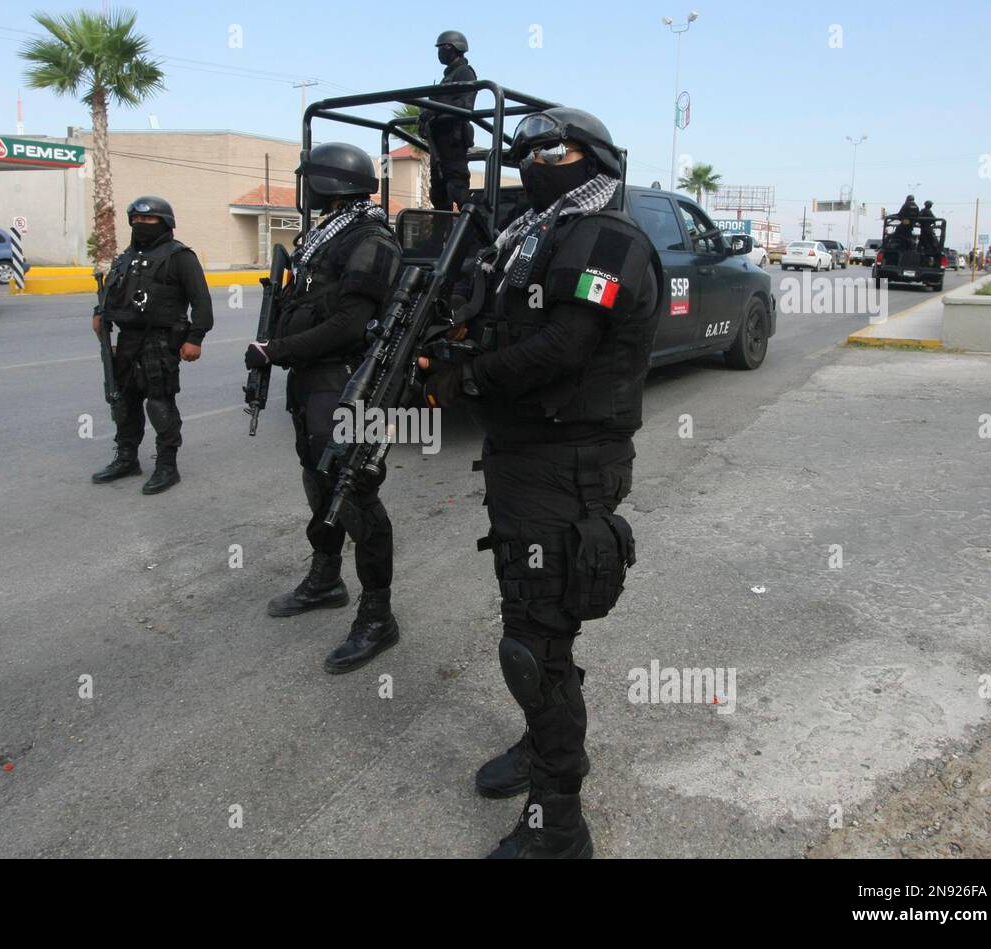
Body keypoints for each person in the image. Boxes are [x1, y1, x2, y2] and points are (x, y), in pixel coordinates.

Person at [417, 107, 662, 858]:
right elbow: (498, 325)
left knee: (534, 644)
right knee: (536, 621)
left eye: (547, 148)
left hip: (572, 460)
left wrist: (468, 376)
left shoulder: (609, 238)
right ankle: (539, 743)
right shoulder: (529, 236)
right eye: (520, 149)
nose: (530, 160)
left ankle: (559, 822)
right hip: (523, 458)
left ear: (594, 157)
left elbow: (566, 344)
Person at [245, 143, 403, 674]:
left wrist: (280, 350)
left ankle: (378, 617)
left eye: (310, 178)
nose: (303, 185)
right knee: (318, 484)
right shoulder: (323, 235)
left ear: (332, 182)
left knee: (355, 496)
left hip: (349, 383)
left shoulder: (371, 240)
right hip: (313, 383)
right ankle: (326, 579)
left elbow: (351, 324)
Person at [91, 196, 212, 494]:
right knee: (124, 403)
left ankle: (167, 466)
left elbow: (202, 302)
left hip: (160, 341)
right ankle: (127, 458)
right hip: (127, 342)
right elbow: (111, 293)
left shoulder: (180, 256)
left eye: (149, 220)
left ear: (165, 222)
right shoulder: (126, 257)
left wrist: (194, 339)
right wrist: (99, 315)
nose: (141, 225)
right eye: (137, 220)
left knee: (159, 405)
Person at [420, 30, 477, 211]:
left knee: (457, 189)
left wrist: (435, 112)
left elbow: (465, 107)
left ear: (453, 48)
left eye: (442, 48)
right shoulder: (446, 78)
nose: (439, 53)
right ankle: (440, 236)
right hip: (439, 143)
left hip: (453, 141)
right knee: (438, 193)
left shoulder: (465, 73)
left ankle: (475, 231)